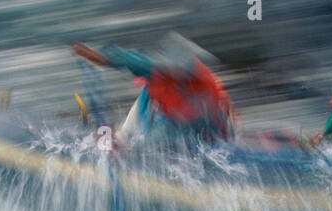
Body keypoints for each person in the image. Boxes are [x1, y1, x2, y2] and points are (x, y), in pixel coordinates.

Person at [71, 35, 235, 144]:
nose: (174, 72)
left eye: (180, 69)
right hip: (156, 109)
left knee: (173, 135)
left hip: (190, 123)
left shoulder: (206, 88)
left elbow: (214, 123)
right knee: (134, 132)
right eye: (171, 67)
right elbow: (126, 58)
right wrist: (96, 56)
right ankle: (119, 138)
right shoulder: (156, 69)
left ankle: (124, 144)